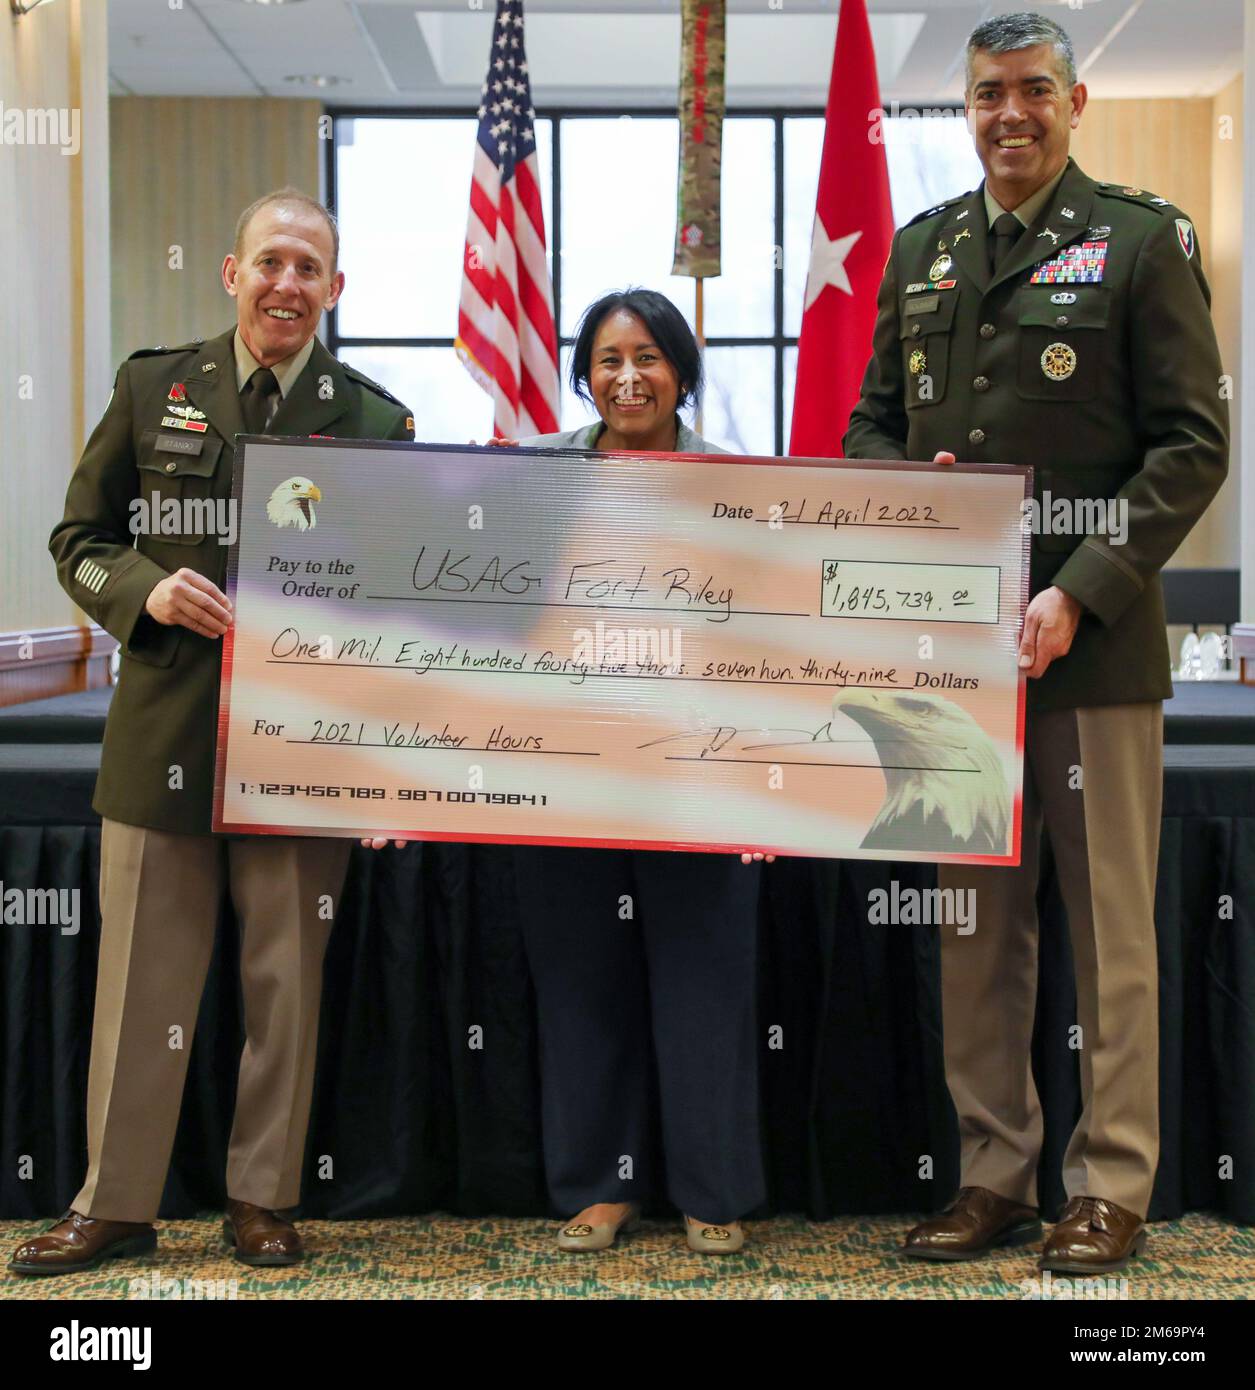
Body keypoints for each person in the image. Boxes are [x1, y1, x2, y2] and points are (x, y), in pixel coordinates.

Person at [844, 12, 1228, 1273]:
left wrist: (1078, 587)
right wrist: (917, 489)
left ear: (1075, 101)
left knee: (1110, 927)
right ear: (965, 108)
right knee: (973, 926)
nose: (1008, 114)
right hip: (951, 662)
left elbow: (1192, 445)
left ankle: (1110, 1180)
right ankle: (994, 1169)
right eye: (987, 95)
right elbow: (866, 433)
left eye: (1032, 91)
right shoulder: (923, 251)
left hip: (1093, 649)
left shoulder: (1138, 240)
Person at [10, 189, 414, 1275]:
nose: (289, 284)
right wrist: (144, 590)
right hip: (166, 729)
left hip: (302, 753)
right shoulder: (156, 388)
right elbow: (77, 537)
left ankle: (263, 1196)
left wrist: (390, 769)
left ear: (336, 291)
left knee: (285, 982)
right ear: (231, 273)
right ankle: (117, 1201)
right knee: (143, 981)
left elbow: (398, 610)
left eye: (310, 269)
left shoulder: (376, 422)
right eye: (271, 262)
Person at [503, 289, 770, 1253]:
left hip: (700, 777)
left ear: (682, 373)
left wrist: (778, 790)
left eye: (649, 357)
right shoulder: (528, 477)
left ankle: (712, 1189)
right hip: (564, 772)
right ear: (584, 374)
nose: (628, 377)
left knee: (706, 982)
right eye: (608, 359)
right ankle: (602, 1186)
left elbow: (772, 649)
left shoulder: (740, 488)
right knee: (581, 981)